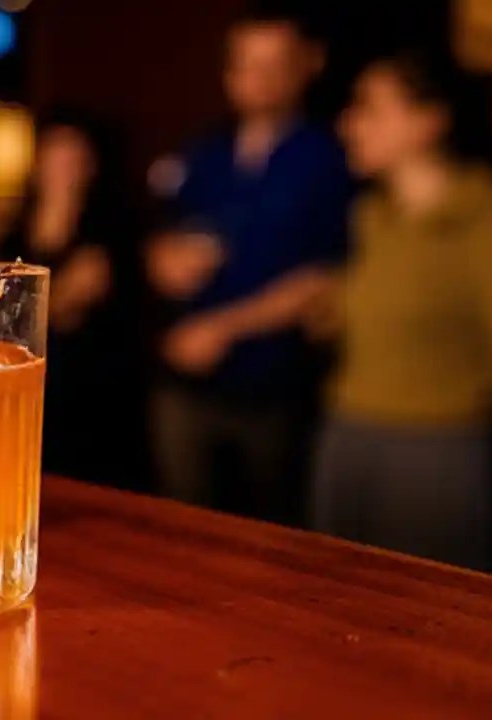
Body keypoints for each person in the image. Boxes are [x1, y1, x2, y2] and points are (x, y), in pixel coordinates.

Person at [312, 50, 492, 570]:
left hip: (436, 450)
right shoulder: (373, 215)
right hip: (349, 433)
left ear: (429, 121)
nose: (349, 123)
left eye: (369, 107)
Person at [146, 9, 352, 523]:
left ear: (309, 63)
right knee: (183, 529)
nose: (257, 79)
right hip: (185, 381)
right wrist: (164, 258)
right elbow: (165, 234)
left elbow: (328, 275)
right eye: (245, 65)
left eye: (273, 64)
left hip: (275, 388)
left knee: (274, 537)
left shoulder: (330, 159)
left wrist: (222, 328)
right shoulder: (205, 152)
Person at [0, 113, 146, 486]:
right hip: (31, 392)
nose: (64, 168)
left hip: (96, 394)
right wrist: (59, 301)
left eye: (74, 158)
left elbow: (121, 309)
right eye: (55, 155)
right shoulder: (10, 237)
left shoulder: (112, 232)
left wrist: (49, 307)